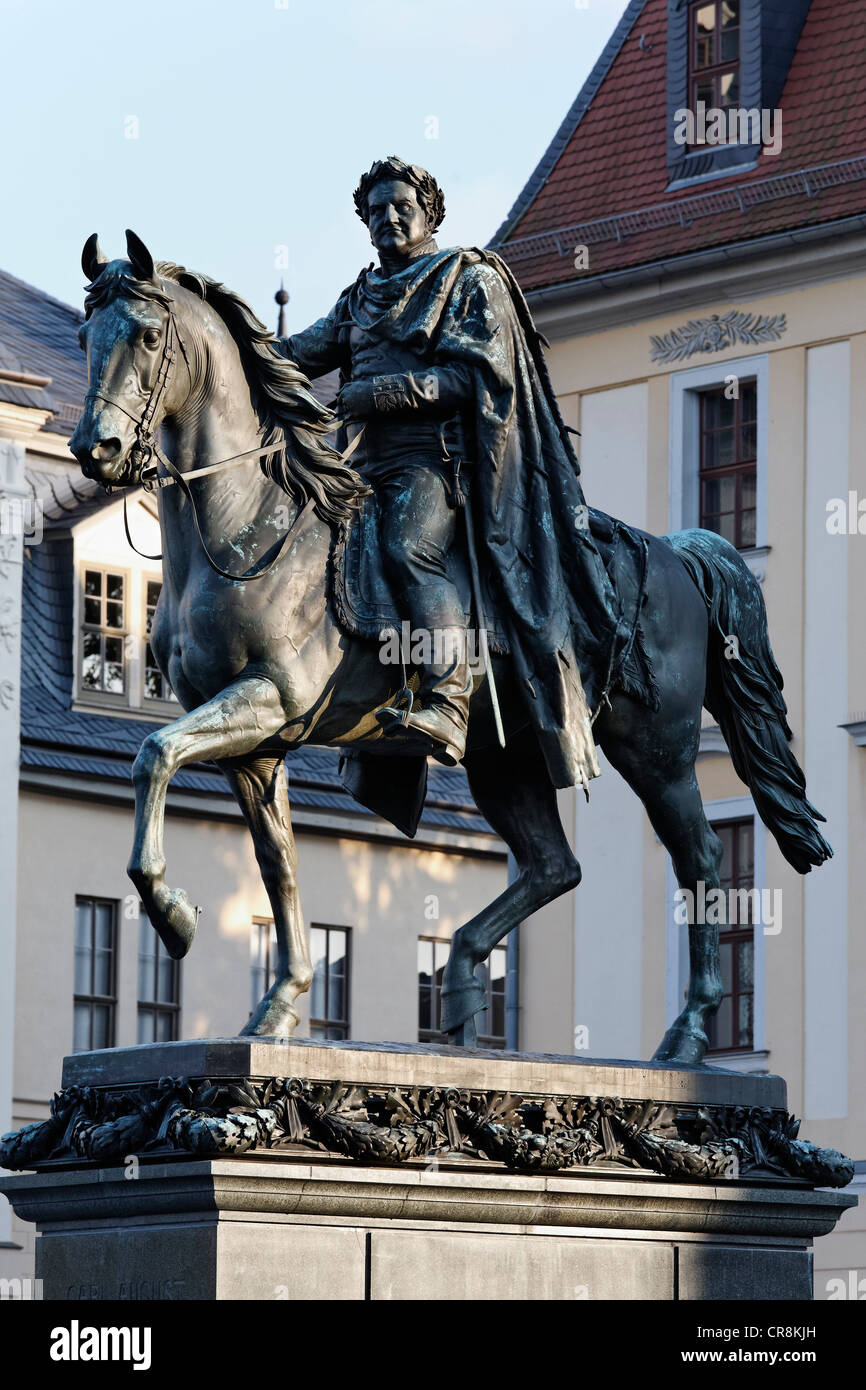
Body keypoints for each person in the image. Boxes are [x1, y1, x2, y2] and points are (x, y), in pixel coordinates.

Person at [281, 157, 629, 787]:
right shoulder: (359, 299)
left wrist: (377, 394)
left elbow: (478, 377)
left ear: (429, 211)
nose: (386, 216)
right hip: (362, 465)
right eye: (374, 210)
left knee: (407, 547)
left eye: (399, 205)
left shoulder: (468, 279)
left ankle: (445, 698)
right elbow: (297, 354)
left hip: (440, 462)